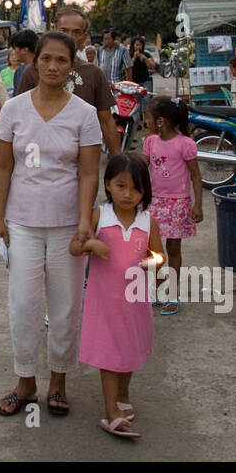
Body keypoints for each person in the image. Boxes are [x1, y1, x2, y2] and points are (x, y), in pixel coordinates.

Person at [0, 32, 102, 418]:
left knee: (66, 304)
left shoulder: (84, 115)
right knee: (23, 303)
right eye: (47, 59)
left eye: (62, 61)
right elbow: (2, 166)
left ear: (73, 66)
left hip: (68, 226)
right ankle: (25, 381)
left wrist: (85, 221)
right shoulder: (14, 110)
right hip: (21, 222)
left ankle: (59, 381)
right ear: (34, 61)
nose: (53, 67)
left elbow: (89, 173)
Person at [71, 153, 162, 439]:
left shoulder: (148, 221)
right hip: (105, 303)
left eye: (136, 189)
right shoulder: (100, 216)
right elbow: (74, 247)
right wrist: (93, 244)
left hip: (135, 302)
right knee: (111, 356)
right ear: (108, 184)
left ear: (144, 191)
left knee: (130, 350)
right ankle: (112, 411)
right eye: (121, 186)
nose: (128, 194)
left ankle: (123, 395)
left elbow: (158, 255)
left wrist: (151, 262)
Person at [17, 8, 121, 151]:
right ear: (54, 30)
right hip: (39, 158)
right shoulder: (34, 71)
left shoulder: (94, 74)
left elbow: (106, 121)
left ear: (84, 37)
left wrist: (119, 164)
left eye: (76, 32)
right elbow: (20, 117)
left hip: (82, 161)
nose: (69, 37)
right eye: (64, 31)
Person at [141, 96, 202, 315]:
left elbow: (195, 176)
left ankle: (173, 294)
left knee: (173, 249)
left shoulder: (185, 144)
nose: (145, 120)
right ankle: (157, 288)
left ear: (160, 121)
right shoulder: (150, 142)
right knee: (152, 250)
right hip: (154, 202)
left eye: (148, 116)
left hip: (178, 203)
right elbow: (142, 170)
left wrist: (198, 205)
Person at [125, 35, 156, 122]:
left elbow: (152, 66)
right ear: (133, 45)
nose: (138, 47)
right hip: (134, 82)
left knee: (146, 100)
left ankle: (146, 119)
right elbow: (127, 67)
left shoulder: (146, 54)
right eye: (136, 45)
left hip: (145, 81)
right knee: (136, 101)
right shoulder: (128, 54)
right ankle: (137, 121)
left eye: (140, 45)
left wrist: (145, 58)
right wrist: (134, 58)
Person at [9, 29, 38, 96]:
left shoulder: (43, 70)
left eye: (14, 48)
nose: (13, 52)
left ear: (25, 50)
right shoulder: (19, 71)